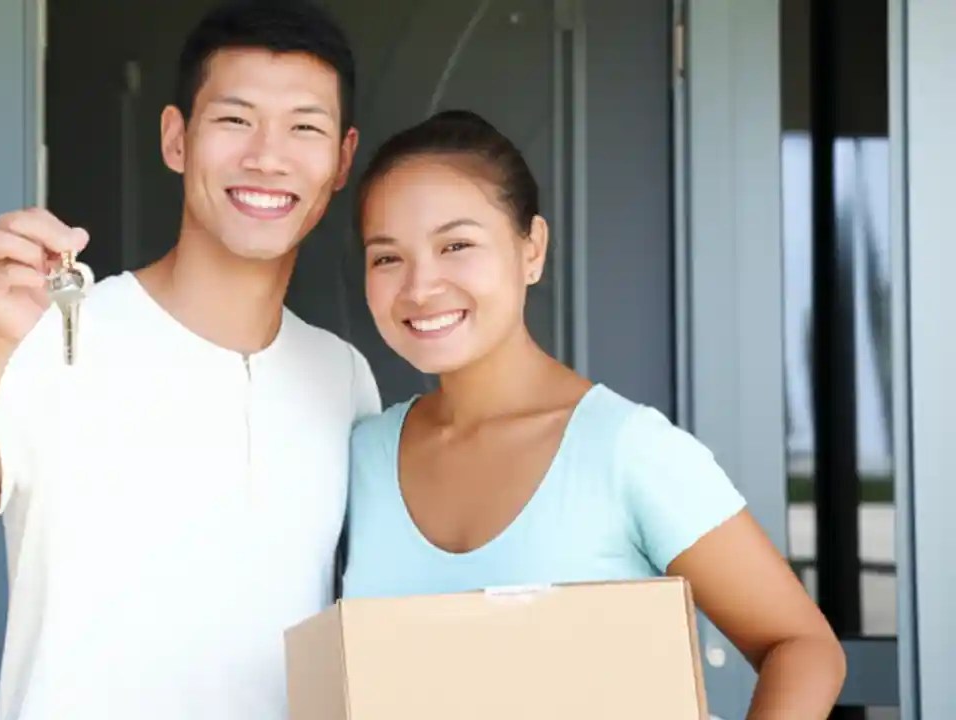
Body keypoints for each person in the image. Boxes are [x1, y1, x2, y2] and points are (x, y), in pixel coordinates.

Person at [0, 2, 378, 718]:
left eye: (304, 127)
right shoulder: (53, 330)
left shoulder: (343, 378)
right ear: (175, 138)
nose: (267, 156)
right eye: (234, 119)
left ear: (342, 159)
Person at [340, 110, 846, 717]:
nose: (420, 286)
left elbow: (804, 646)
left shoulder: (625, 448)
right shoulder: (363, 453)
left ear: (532, 249)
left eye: (456, 245)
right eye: (387, 258)